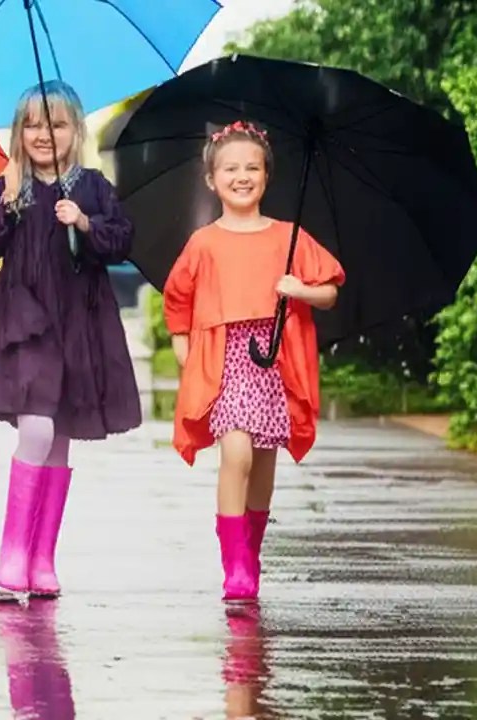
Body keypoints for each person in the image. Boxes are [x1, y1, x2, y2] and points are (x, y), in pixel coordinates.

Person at [0, 80, 141, 602]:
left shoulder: (90, 186)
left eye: (57, 123)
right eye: (33, 123)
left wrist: (84, 221)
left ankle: (43, 558)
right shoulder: (9, 184)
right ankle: (12, 552)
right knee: (39, 427)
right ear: (20, 132)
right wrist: (5, 205)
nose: (44, 134)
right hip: (27, 321)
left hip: (78, 322)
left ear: (76, 130)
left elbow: (120, 240)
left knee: (60, 435)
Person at [162, 120, 344, 603]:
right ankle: (235, 566)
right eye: (230, 168)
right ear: (211, 179)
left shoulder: (289, 237)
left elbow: (328, 291)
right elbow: (177, 299)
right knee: (236, 451)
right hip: (227, 362)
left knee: (263, 461)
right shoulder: (204, 242)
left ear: (267, 175)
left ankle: (251, 550)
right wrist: (184, 350)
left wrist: (299, 288)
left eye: (251, 168)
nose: (241, 176)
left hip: (275, 361)